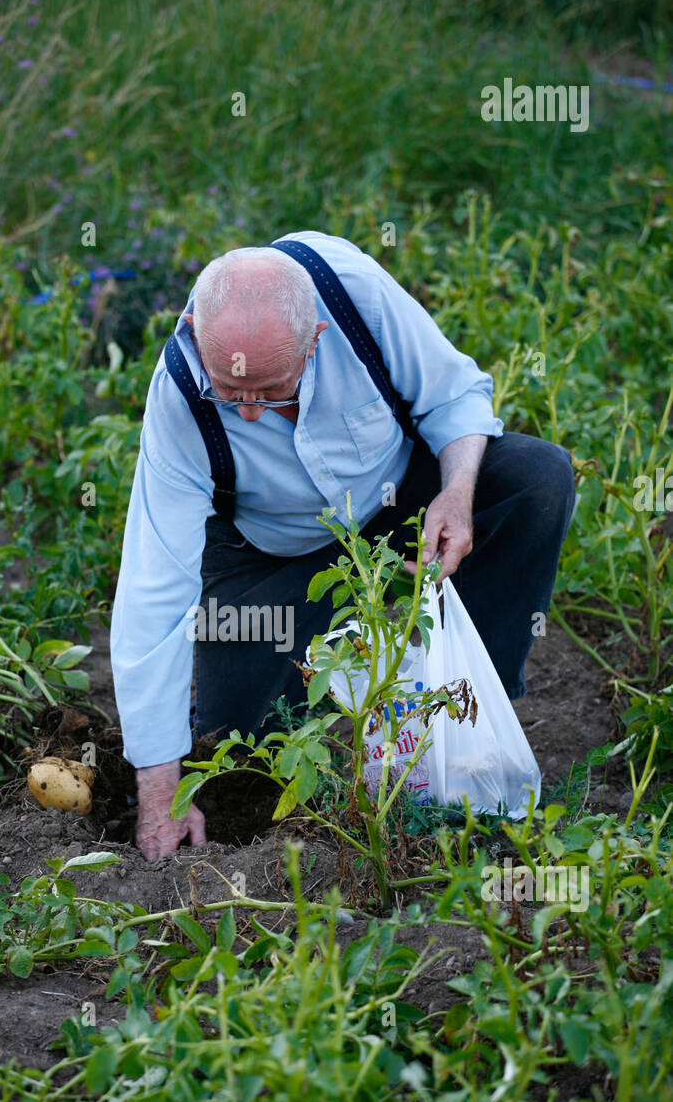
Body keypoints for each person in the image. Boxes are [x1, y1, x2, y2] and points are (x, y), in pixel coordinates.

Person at [110, 230, 576, 860]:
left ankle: (471, 724)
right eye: (229, 392)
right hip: (266, 555)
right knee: (246, 765)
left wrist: (456, 493)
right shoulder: (178, 398)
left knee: (535, 480)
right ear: (193, 328)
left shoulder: (351, 293)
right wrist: (160, 789)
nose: (248, 414)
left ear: (316, 340)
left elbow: (453, 395)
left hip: (394, 503)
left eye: (273, 390)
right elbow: (153, 590)